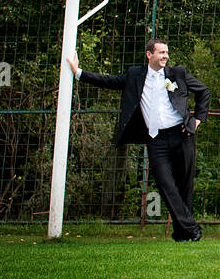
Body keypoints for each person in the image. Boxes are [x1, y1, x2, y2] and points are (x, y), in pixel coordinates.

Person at [67, 39, 210, 242]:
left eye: (167, 53)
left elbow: (204, 91)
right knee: (164, 184)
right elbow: (109, 81)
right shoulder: (135, 75)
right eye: (161, 52)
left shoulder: (177, 74)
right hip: (156, 140)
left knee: (184, 186)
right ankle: (192, 228)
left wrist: (197, 120)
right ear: (149, 55)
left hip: (182, 135)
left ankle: (182, 233)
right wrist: (79, 73)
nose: (165, 56)